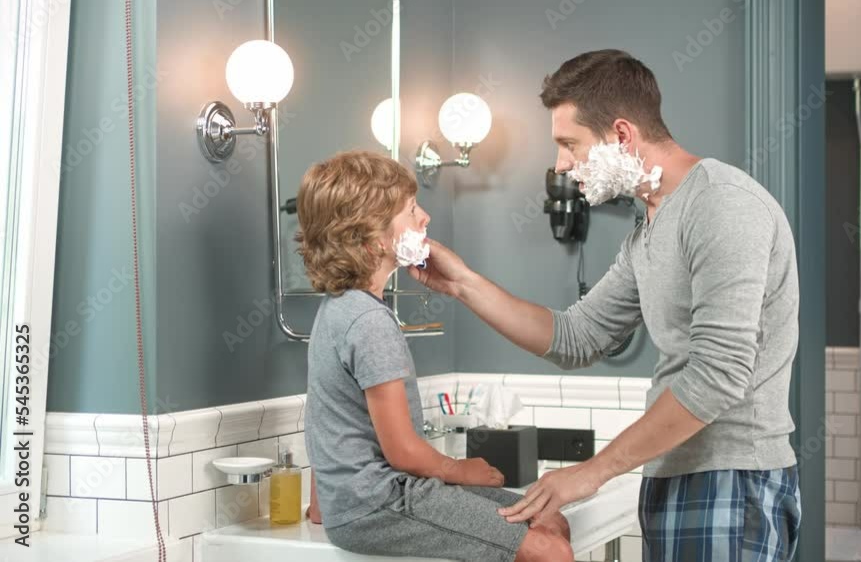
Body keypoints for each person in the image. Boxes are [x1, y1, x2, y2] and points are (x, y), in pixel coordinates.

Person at [407, 50, 802, 560]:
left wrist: (593, 472)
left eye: (569, 144)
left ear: (621, 135)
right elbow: (576, 337)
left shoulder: (722, 205)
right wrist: (463, 284)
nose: (560, 165)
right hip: (677, 473)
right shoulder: (649, 225)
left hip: (733, 478)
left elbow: (719, 373)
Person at [298, 150, 573, 562]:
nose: (424, 217)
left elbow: (328, 416)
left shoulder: (337, 308)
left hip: (360, 505)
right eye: (411, 210)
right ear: (374, 237)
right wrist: (459, 470)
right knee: (550, 549)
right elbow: (403, 453)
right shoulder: (370, 323)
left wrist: (324, 504)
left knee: (549, 516)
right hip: (381, 504)